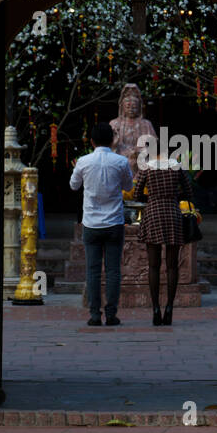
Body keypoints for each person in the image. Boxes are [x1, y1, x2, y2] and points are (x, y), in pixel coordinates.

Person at [69, 121, 133, 326]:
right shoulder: (121, 161)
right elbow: (128, 186)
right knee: (113, 270)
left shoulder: (84, 161)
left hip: (91, 223)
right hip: (114, 222)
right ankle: (112, 314)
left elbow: (73, 186)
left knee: (93, 270)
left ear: (91, 141)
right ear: (113, 140)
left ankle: (95, 315)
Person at [131, 145, 193, 326]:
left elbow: (136, 194)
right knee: (172, 265)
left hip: (153, 213)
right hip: (173, 213)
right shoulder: (177, 166)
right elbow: (189, 192)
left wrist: (151, 199)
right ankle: (170, 308)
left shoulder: (147, 167)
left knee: (153, 265)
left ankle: (156, 308)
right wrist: (173, 195)